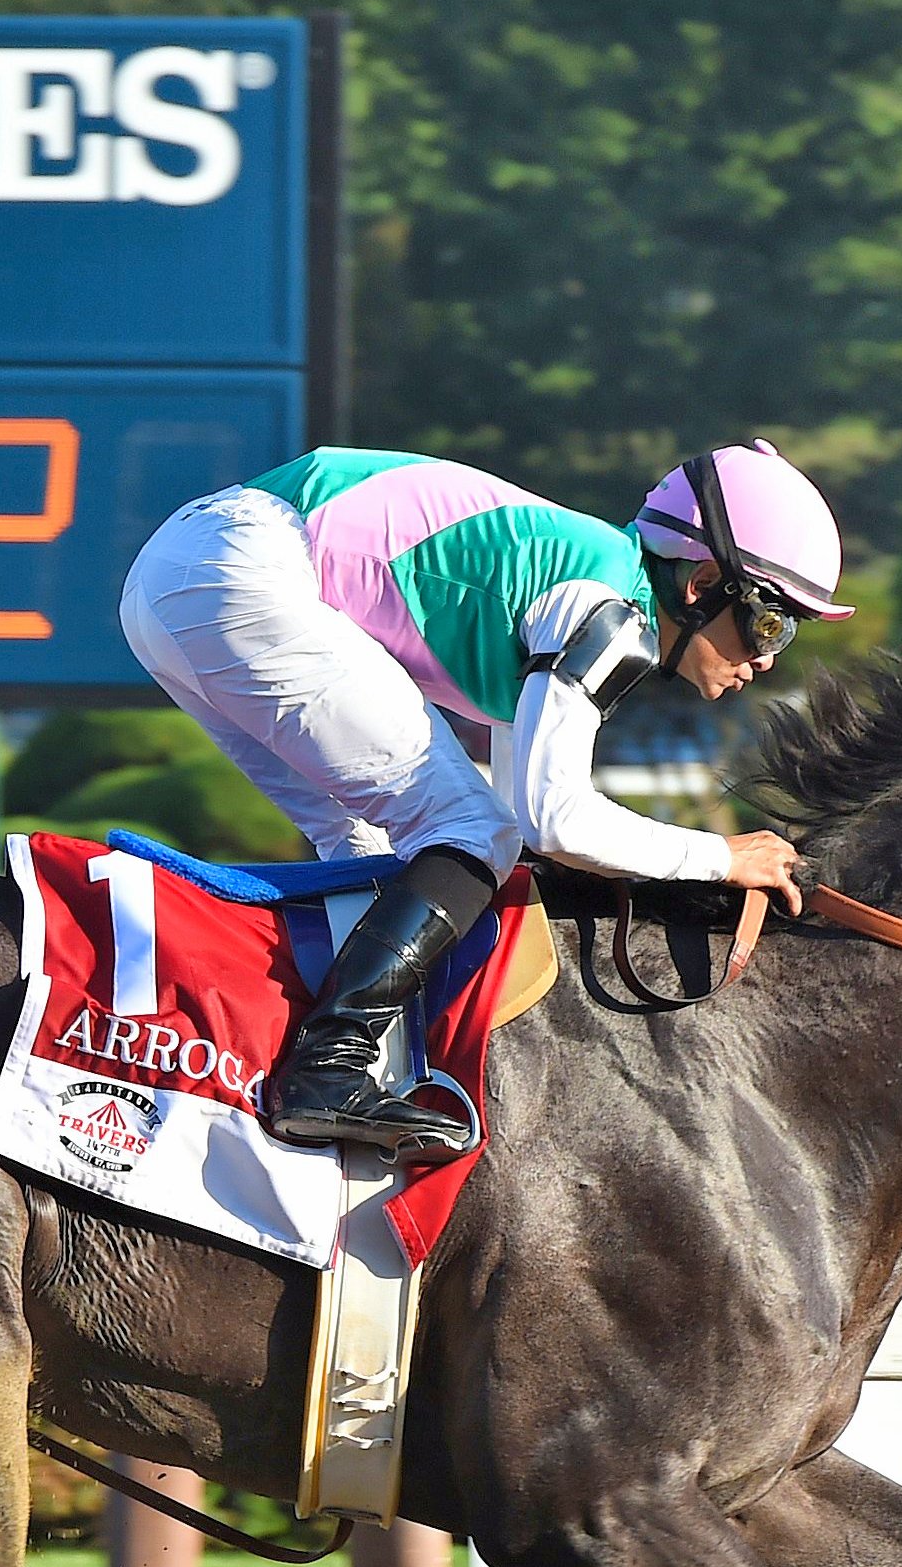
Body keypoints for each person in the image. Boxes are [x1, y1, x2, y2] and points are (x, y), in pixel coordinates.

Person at [120, 440, 846, 1153]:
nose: (767, 658)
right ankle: (323, 1071)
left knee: (382, 852)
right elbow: (551, 821)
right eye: (770, 622)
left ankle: (304, 1055)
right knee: (468, 830)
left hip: (179, 579)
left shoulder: (578, 586)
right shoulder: (607, 613)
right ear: (701, 583)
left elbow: (531, 825)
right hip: (242, 569)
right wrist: (720, 857)